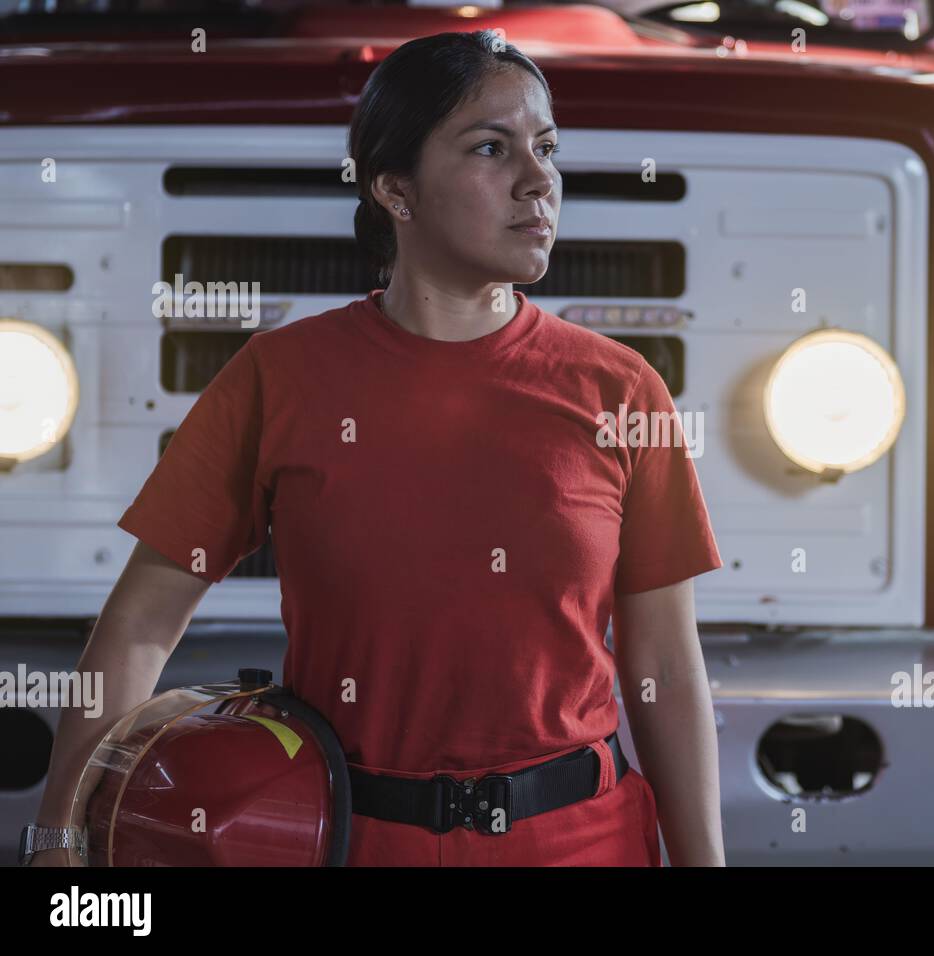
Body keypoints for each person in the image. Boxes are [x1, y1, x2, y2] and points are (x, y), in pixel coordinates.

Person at [30, 30, 725, 867]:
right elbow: (139, 625)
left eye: (546, 148)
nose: (539, 182)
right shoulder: (279, 377)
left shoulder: (622, 389)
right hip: (347, 842)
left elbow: (664, 666)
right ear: (396, 189)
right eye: (490, 149)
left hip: (581, 841)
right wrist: (58, 837)